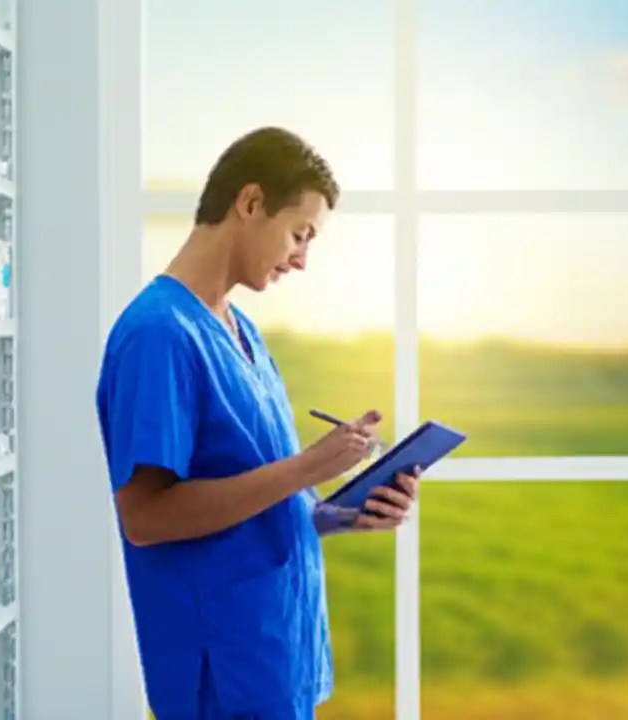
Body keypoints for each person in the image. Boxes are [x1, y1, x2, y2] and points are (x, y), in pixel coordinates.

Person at [96, 127, 419, 720]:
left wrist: (341, 510)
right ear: (249, 203)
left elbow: (253, 502)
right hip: (222, 676)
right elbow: (145, 517)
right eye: (300, 234)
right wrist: (308, 467)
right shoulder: (159, 336)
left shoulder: (242, 332)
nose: (301, 259)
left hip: (277, 659)